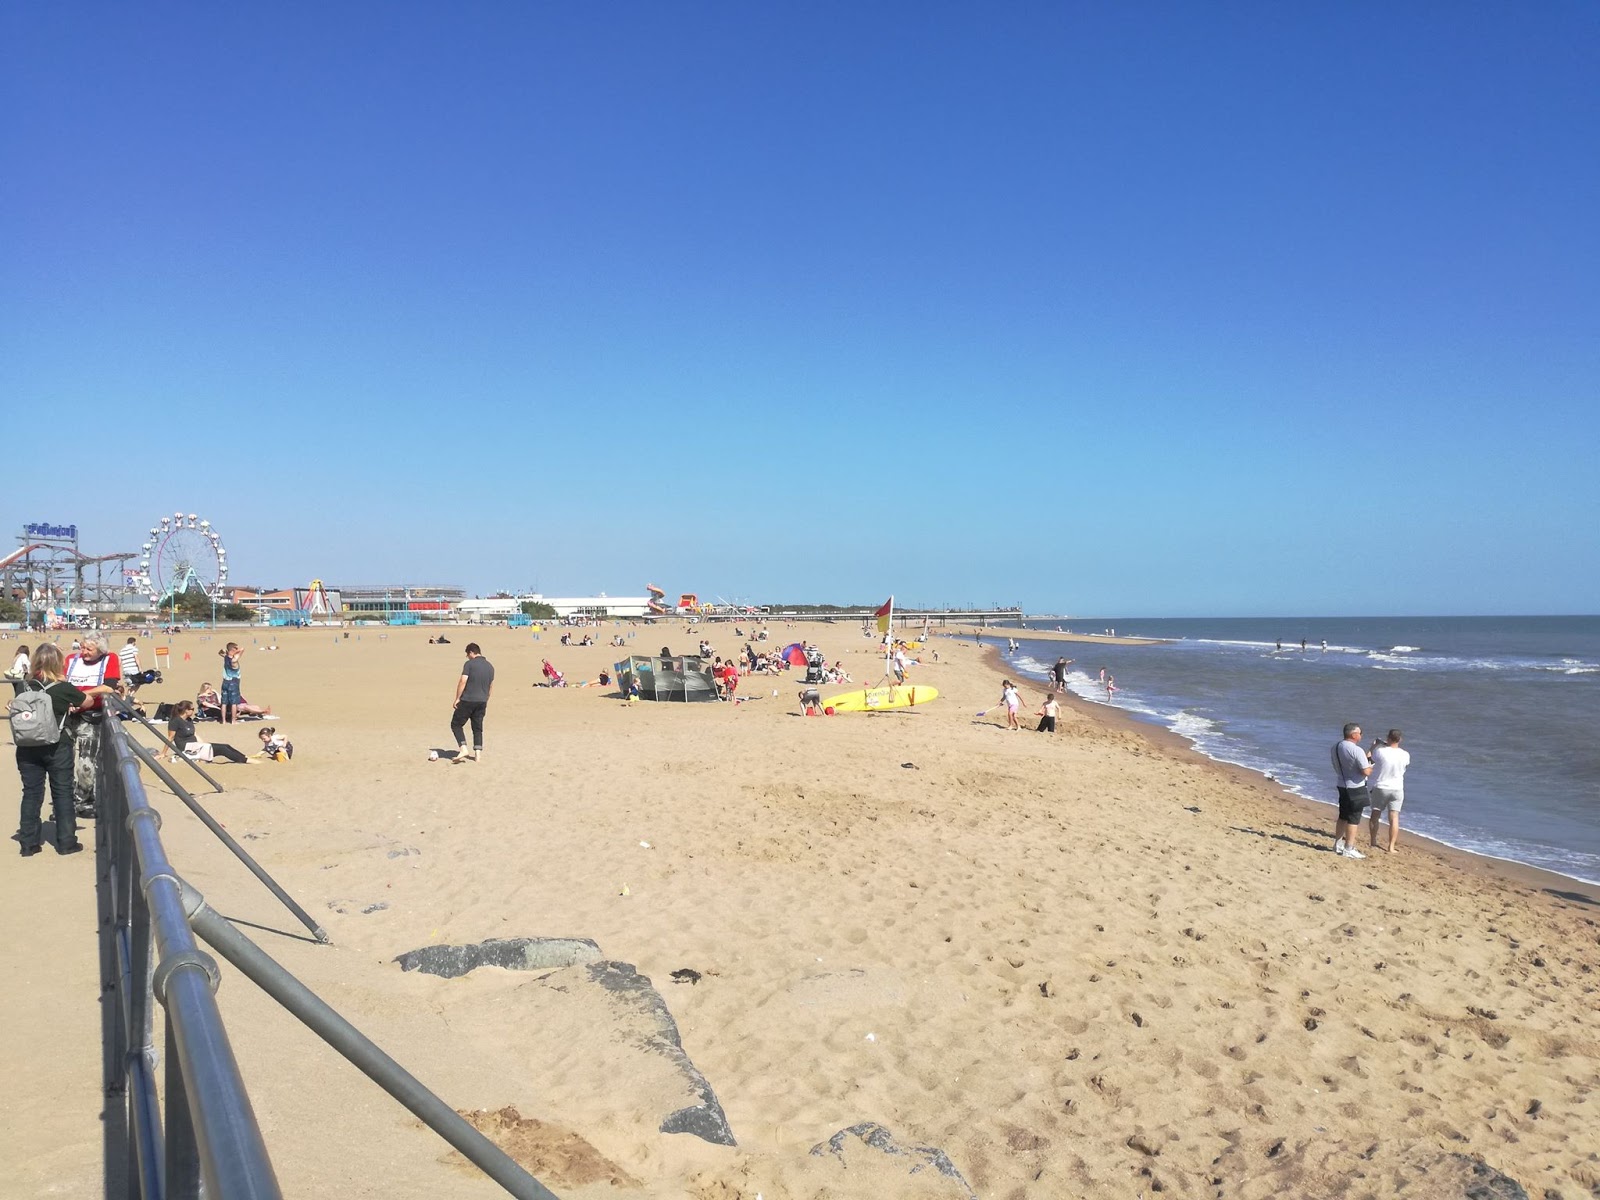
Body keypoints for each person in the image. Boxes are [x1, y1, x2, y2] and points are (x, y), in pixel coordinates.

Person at [12, 644, 86, 856]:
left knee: (31, 793)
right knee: (62, 792)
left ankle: (28, 844)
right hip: (57, 745)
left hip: (27, 745)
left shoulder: (23, 686)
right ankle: (66, 842)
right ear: (58, 663)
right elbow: (86, 701)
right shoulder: (63, 687)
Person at [63, 635, 123, 819]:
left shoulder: (110, 658)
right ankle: (64, 802)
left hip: (91, 716)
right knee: (63, 760)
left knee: (86, 762)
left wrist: (80, 697)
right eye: (82, 648)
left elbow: (108, 687)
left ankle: (84, 800)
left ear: (100, 650)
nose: (84, 652)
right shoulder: (71, 660)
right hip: (67, 715)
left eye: (89, 649)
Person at [1330, 722, 1372, 859]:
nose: (1361, 735)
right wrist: (1371, 766)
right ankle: (1348, 847)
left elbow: (1337, 766)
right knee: (1354, 818)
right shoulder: (1356, 750)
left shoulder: (1335, 747)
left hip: (1342, 783)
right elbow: (1366, 771)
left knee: (1343, 815)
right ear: (1353, 734)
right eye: (1360, 733)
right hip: (1355, 786)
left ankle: (1337, 844)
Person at [1368, 729, 1411, 852]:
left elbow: (1369, 761)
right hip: (1397, 788)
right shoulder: (1405, 754)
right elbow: (1405, 765)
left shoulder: (1380, 751)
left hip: (1381, 786)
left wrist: (1373, 746)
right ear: (1400, 740)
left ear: (1388, 738)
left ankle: (1373, 842)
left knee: (1375, 814)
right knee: (1394, 817)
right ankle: (1391, 846)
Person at [450, 643, 494, 764]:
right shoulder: (490, 666)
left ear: (471, 652)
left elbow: (463, 681)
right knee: (477, 728)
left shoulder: (469, 664)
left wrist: (457, 698)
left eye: (467, 654)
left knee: (456, 724)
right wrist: (486, 698)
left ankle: (463, 748)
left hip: (468, 699)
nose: (467, 657)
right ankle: (477, 755)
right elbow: (490, 686)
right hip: (482, 700)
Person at [167, 701, 252, 763]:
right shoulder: (175, 721)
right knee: (222, 749)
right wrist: (163, 753)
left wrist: (204, 744)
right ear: (186, 710)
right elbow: (170, 738)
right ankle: (246, 760)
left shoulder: (189, 720)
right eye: (192, 709)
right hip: (187, 748)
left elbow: (195, 734)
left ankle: (244, 757)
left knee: (226, 746)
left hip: (196, 746)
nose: (194, 711)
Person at [219, 642, 244, 723]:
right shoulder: (234, 660)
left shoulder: (226, 657)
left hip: (225, 682)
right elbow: (242, 649)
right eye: (235, 648)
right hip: (233, 682)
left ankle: (223, 720)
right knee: (234, 703)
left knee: (224, 703)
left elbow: (220, 652)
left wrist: (227, 651)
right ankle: (233, 720)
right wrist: (236, 651)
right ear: (233, 649)